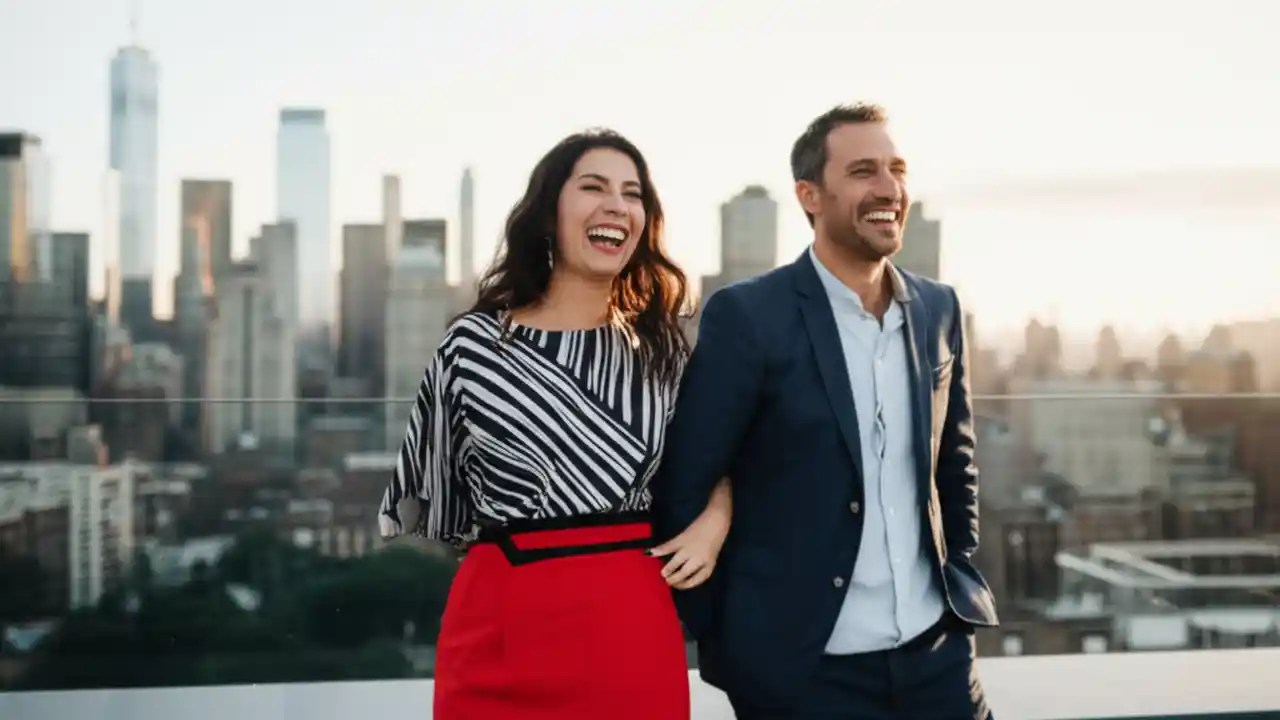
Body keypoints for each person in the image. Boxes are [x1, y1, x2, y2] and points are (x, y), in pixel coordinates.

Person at [653, 103, 1000, 719]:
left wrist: (959, 580)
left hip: (936, 659)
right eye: (864, 170)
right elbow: (690, 477)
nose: (889, 188)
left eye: (897, 169)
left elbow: (956, 464)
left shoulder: (938, 309)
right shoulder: (749, 315)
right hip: (806, 676)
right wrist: (738, 646)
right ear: (810, 195)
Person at [377, 128, 732, 720]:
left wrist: (715, 521)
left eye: (632, 193)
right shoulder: (472, 345)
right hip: (497, 624)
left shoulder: (666, 347)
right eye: (593, 186)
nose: (616, 204)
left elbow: (731, 451)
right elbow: (441, 503)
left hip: (629, 624)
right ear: (549, 213)